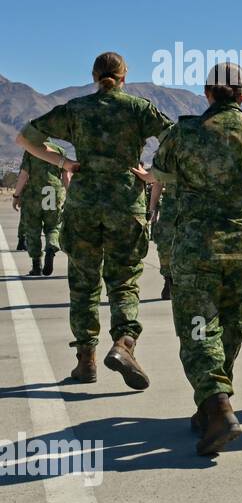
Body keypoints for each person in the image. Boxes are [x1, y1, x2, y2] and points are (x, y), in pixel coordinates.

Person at [18, 52, 172, 387]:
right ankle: (124, 343)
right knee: (124, 282)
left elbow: (25, 137)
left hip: (84, 205)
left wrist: (63, 163)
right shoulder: (139, 109)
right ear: (124, 76)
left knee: (84, 285)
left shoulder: (76, 109)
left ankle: (85, 361)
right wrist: (153, 174)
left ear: (94, 75)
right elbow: (176, 142)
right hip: (125, 205)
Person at [149, 63, 242, 455]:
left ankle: (217, 405)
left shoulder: (183, 133)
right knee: (233, 324)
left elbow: (161, 175)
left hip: (197, 247)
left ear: (207, 93)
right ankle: (212, 406)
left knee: (200, 328)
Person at [13, 141, 70, 276]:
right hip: (53, 193)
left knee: (33, 229)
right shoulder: (60, 151)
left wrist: (16, 195)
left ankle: (36, 265)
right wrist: (69, 195)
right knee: (53, 227)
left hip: (34, 194)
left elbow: (23, 175)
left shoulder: (31, 149)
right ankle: (51, 247)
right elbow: (66, 177)